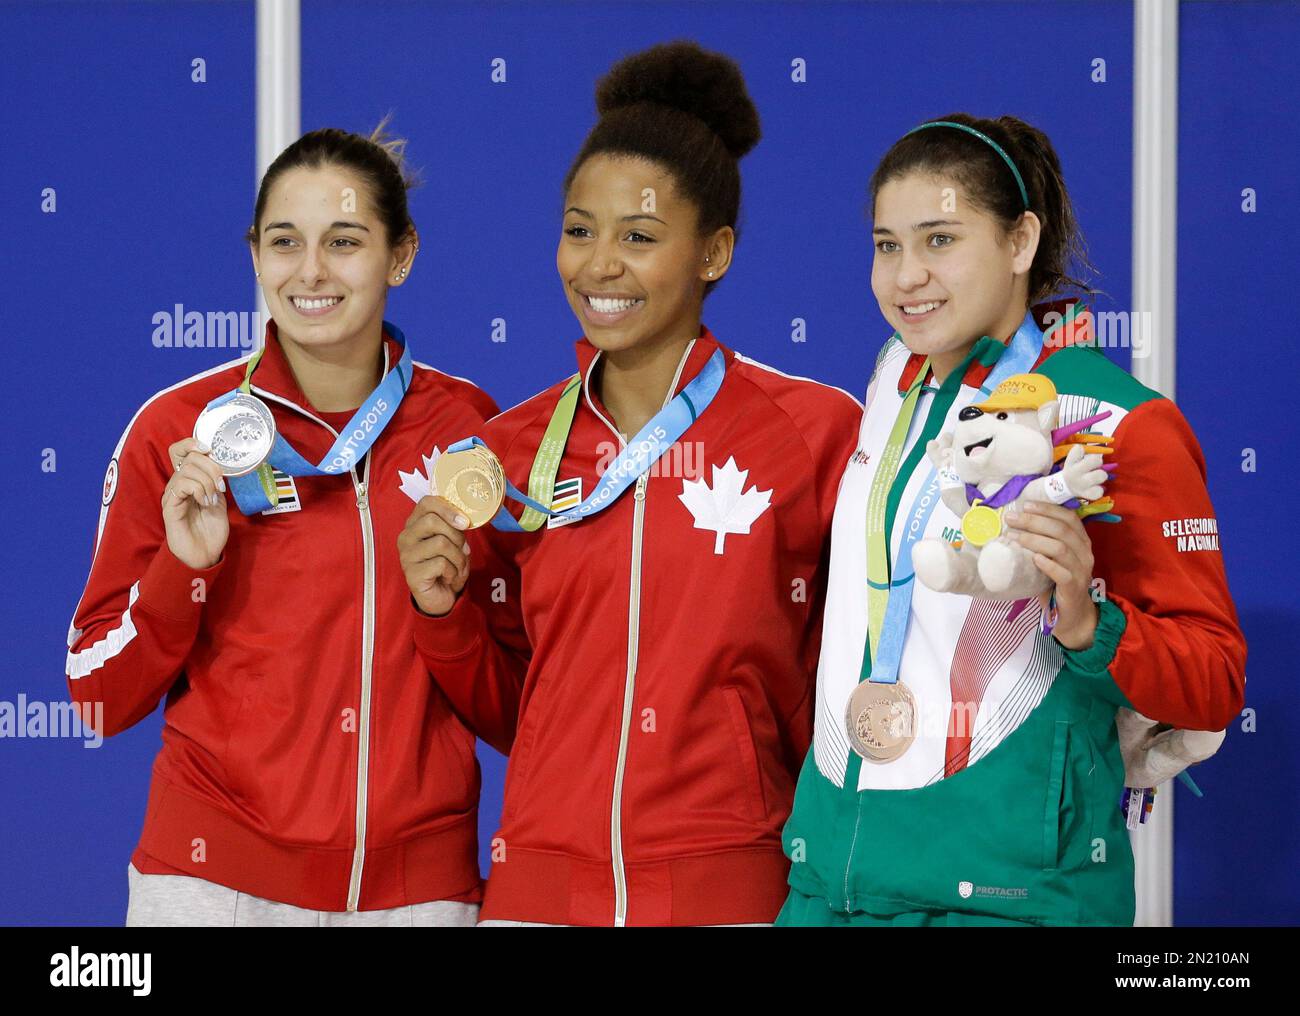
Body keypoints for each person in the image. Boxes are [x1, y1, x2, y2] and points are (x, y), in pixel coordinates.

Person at [397, 40, 862, 926]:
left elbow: (838, 687)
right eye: (579, 229)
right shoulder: (505, 455)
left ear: (715, 252)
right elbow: (520, 714)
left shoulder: (813, 434)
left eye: (639, 237)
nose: (598, 265)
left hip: (731, 894)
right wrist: (440, 615)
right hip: (537, 896)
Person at [776, 113, 1247, 926]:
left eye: (940, 239)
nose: (906, 276)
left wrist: (1086, 623)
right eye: (887, 245)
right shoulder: (893, 386)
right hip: (834, 884)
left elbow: (1213, 679)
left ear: (1021, 241)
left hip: (1010, 897)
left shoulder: (1117, 420)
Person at [65, 123, 498, 926]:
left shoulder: (470, 434)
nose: (310, 272)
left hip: (417, 895)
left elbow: (515, 703)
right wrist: (181, 573)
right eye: (284, 242)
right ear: (254, 254)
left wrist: (448, 618)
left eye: (344, 241)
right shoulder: (182, 430)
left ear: (401, 255)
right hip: (209, 887)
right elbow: (94, 696)